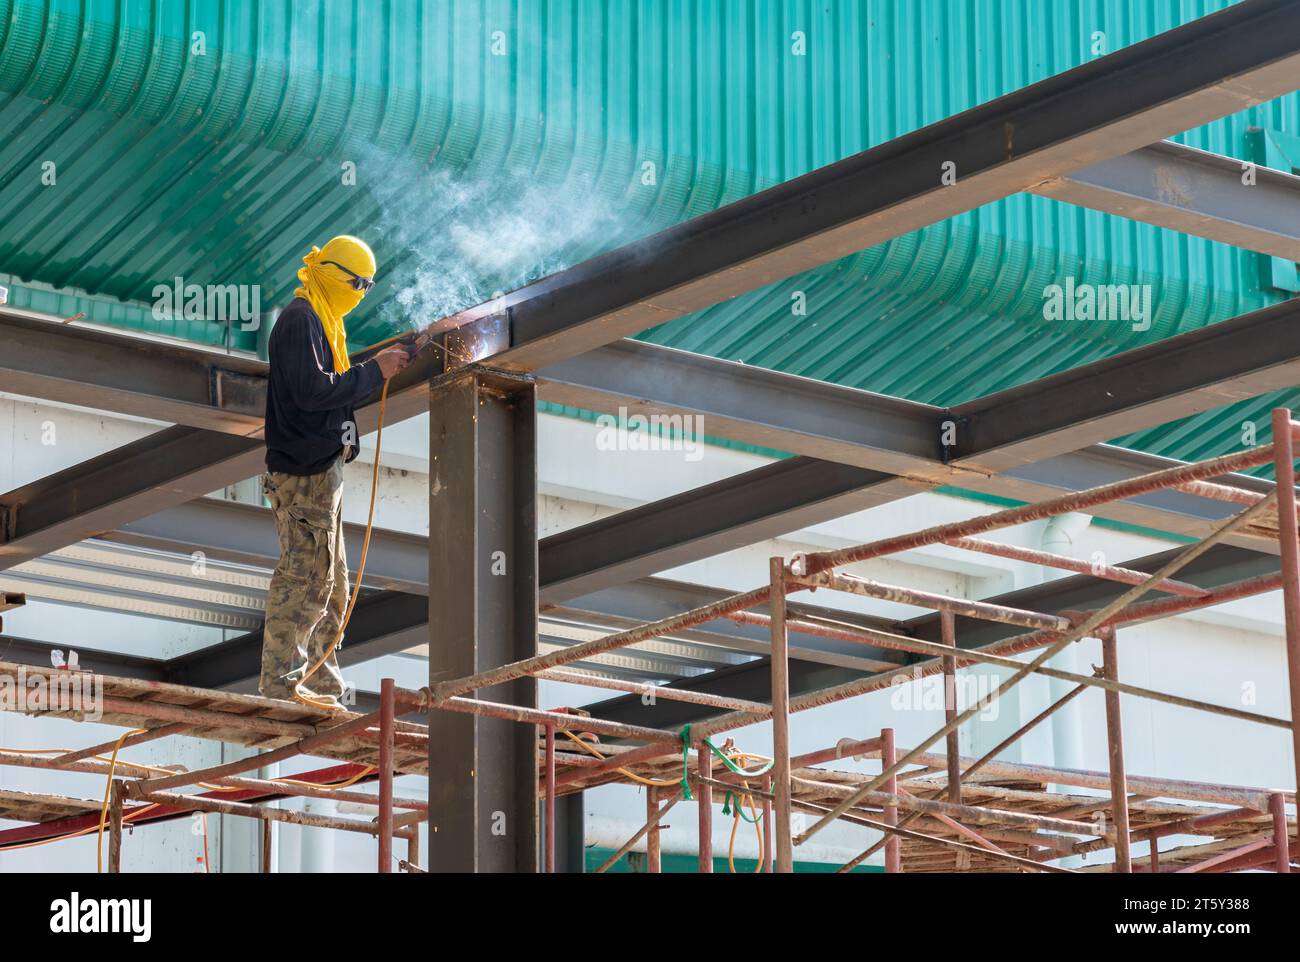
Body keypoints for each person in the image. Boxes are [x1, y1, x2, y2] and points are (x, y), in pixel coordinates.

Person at [259, 235, 411, 707]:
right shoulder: (300, 320)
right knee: (305, 579)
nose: (361, 293)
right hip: (302, 474)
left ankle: (320, 679)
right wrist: (375, 372)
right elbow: (313, 392)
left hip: (322, 471)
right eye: (358, 283)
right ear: (333, 275)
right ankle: (282, 683)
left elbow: (329, 393)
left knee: (333, 584)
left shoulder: (325, 322)